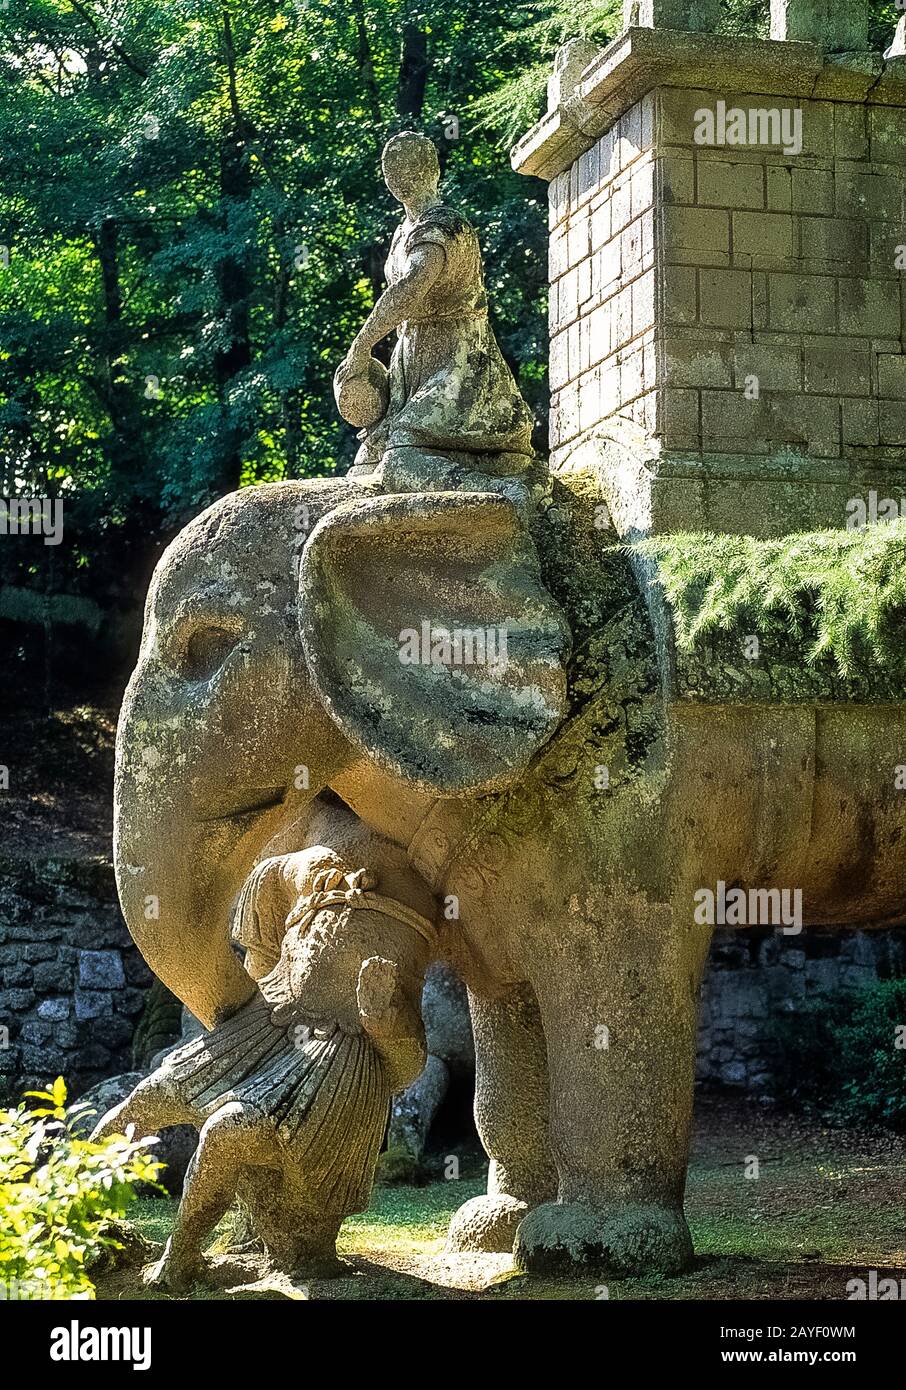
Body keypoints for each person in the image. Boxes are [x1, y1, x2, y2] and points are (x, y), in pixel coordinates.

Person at [336, 131, 538, 502]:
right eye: (390, 167)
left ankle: (505, 492)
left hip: (459, 362)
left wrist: (362, 344)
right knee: (367, 461)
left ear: (432, 169)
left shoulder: (444, 226)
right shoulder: (402, 233)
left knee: (399, 462)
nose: (398, 174)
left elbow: (410, 289)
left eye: (408, 164)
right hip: (412, 362)